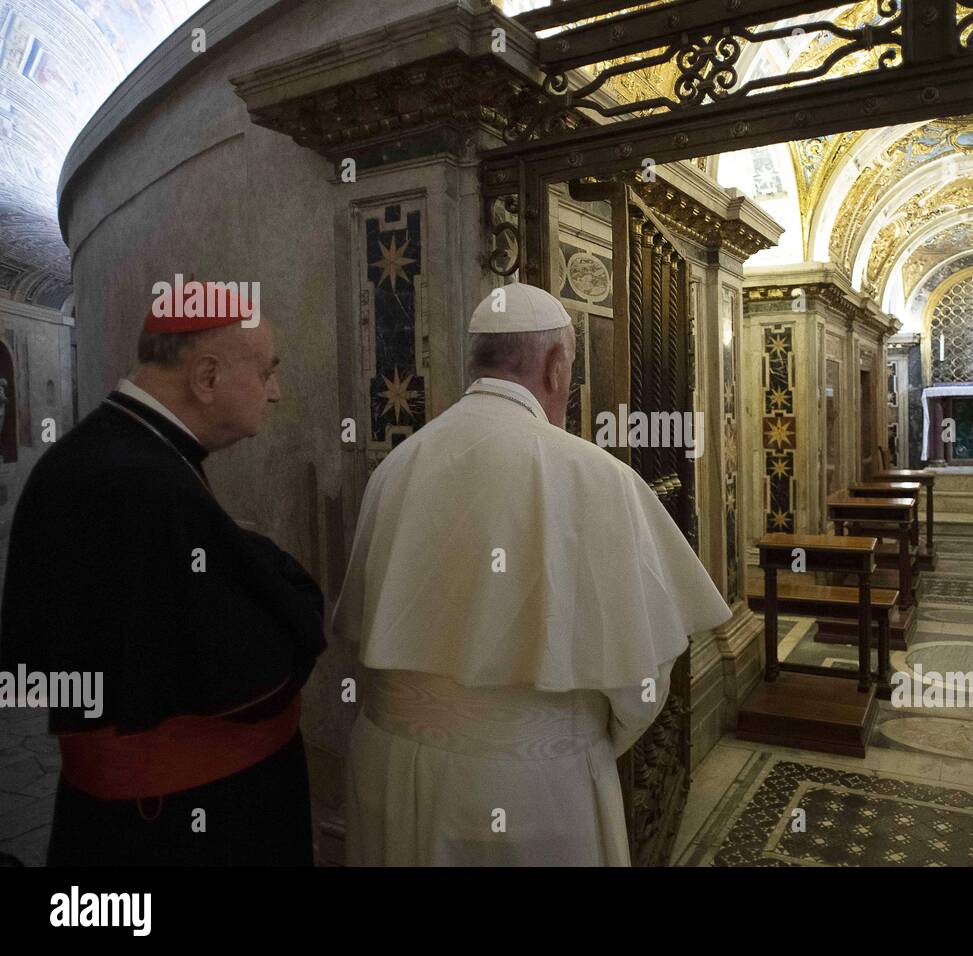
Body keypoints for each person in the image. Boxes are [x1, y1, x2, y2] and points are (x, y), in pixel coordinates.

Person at [335, 283, 730, 866]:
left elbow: (359, 632)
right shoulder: (599, 477)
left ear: (475, 362)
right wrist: (577, 740)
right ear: (556, 364)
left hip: (390, 770)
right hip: (533, 785)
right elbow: (646, 680)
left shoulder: (394, 468)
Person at [0, 283, 325, 866]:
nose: (274, 393)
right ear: (205, 377)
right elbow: (266, 651)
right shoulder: (146, 480)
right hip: (182, 830)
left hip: (118, 817)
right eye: (267, 371)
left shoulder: (102, 452)